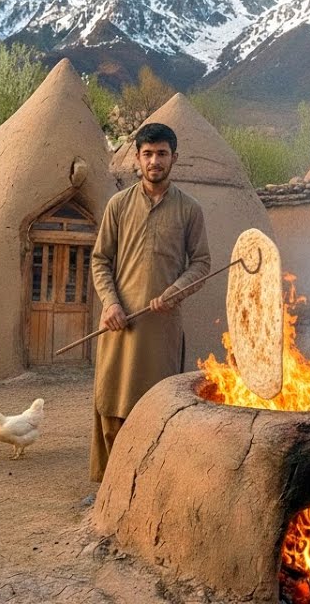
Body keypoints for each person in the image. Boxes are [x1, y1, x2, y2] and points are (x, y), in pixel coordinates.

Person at [89, 122, 211, 482]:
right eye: (147, 154)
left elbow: (202, 263)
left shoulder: (190, 210)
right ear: (137, 159)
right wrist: (110, 303)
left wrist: (177, 290)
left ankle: (151, 487)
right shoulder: (118, 205)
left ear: (174, 157)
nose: (154, 161)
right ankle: (110, 488)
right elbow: (100, 260)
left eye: (161, 153)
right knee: (113, 405)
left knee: (158, 407)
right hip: (119, 325)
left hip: (162, 328)